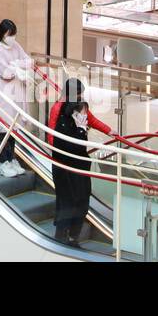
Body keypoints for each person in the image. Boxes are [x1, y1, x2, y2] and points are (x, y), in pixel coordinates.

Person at [49, 78, 106, 246]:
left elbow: (92, 120)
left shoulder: (80, 107)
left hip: (76, 161)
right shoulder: (60, 109)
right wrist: (56, 152)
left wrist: (110, 130)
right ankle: (63, 235)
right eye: (80, 93)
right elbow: (53, 133)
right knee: (68, 199)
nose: (82, 96)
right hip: (64, 161)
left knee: (78, 198)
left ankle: (72, 235)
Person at [0, 19, 32, 177]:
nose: (12, 38)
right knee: (4, 127)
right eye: (9, 35)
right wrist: (17, 66)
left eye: (13, 35)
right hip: (5, 93)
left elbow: (29, 61)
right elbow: (4, 72)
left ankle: (11, 158)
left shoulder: (15, 46)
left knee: (13, 128)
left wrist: (15, 65)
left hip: (17, 93)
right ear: (2, 34)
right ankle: (2, 162)